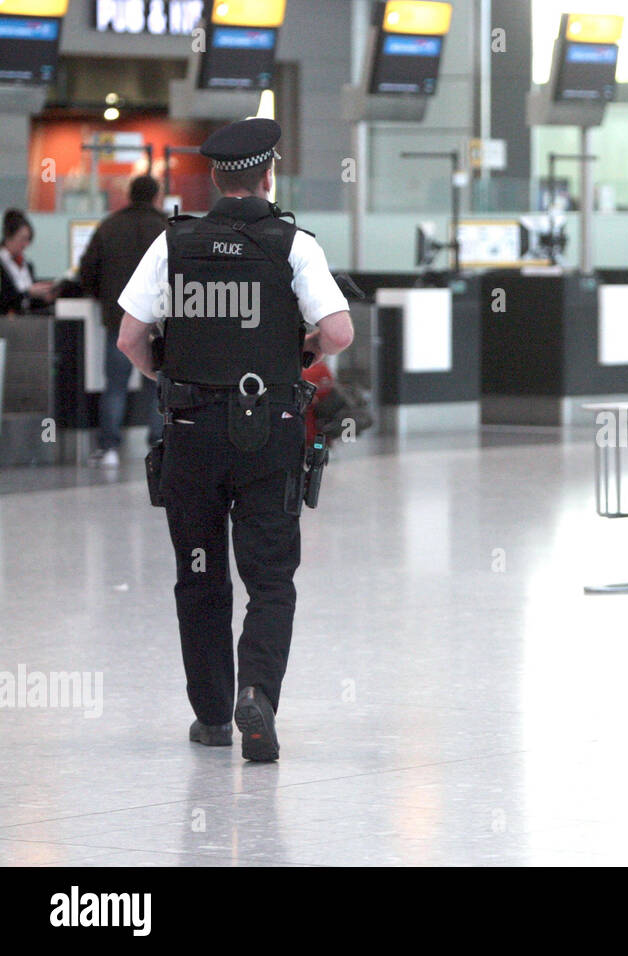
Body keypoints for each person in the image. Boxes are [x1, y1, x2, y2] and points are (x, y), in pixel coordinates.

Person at [116, 119, 354, 762]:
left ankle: (213, 717)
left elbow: (129, 339)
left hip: (190, 436)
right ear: (268, 175)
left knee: (199, 577)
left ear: (215, 179)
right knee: (270, 577)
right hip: (268, 435)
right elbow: (338, 332)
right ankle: (258, 693)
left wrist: (170, 377)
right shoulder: (293, 245)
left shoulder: (173, 244)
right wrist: (296, 348)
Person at [79, 176, 170, 468]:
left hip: (119, 318)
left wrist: (104, 299)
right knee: (157, 382)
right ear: (157, 196)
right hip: (159, 320)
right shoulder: (168, 227)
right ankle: (158, 444)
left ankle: (109, 449)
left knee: (115, 384)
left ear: (130, 195)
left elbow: (87, 272)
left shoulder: (110, 225)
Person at [0, 210, 55, 314]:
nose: (25, 244)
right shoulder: (2, 265)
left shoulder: (27, 265)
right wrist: (27, 293)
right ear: (9, 236)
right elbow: (5, 300)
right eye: (22, 239)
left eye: (28, 240)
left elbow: (28, 303)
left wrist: (44, 297)